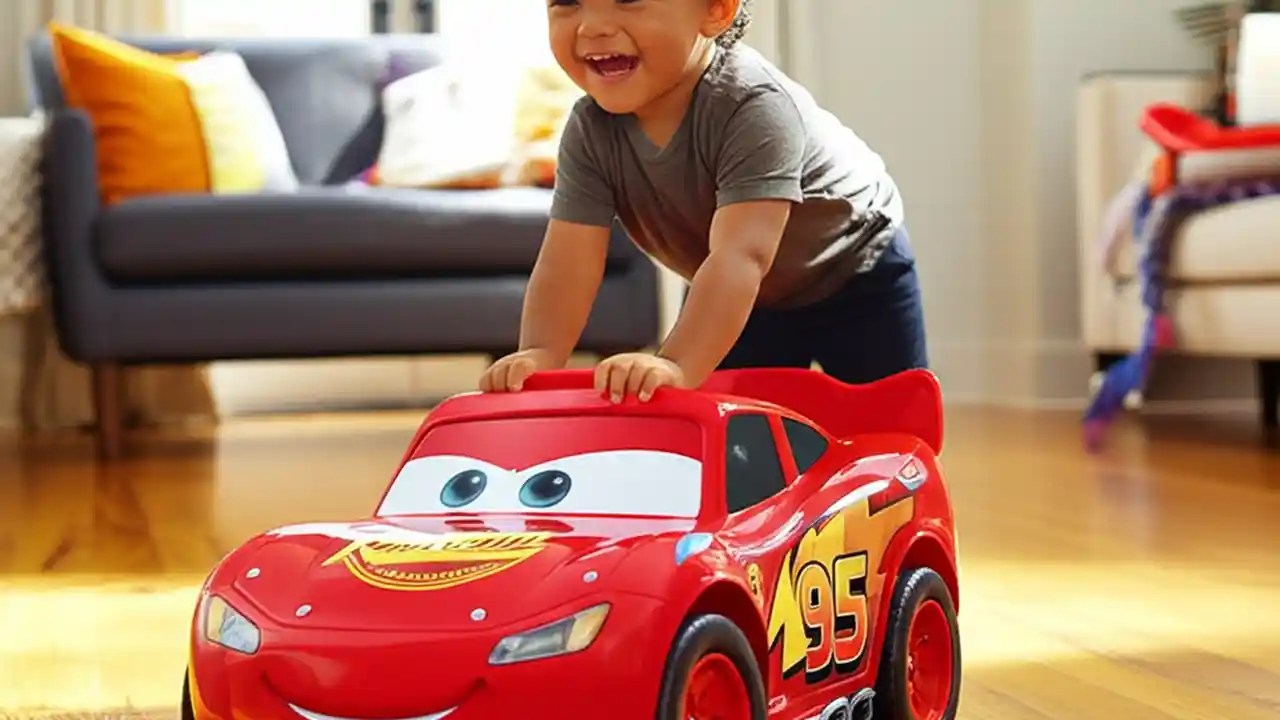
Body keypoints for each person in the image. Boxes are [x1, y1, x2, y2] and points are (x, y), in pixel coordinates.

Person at [479, 0, 927, 402]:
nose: (592, 26)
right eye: (567, 2)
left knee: (889, 425)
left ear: (716, 10)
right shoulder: (590, 131)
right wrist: (541, 351)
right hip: (738, 295)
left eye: (629, 0)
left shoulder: (753, 105)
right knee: (739, 449)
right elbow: (568, 258)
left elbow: (742, 254)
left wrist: (673, 363)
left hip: (854, 267)